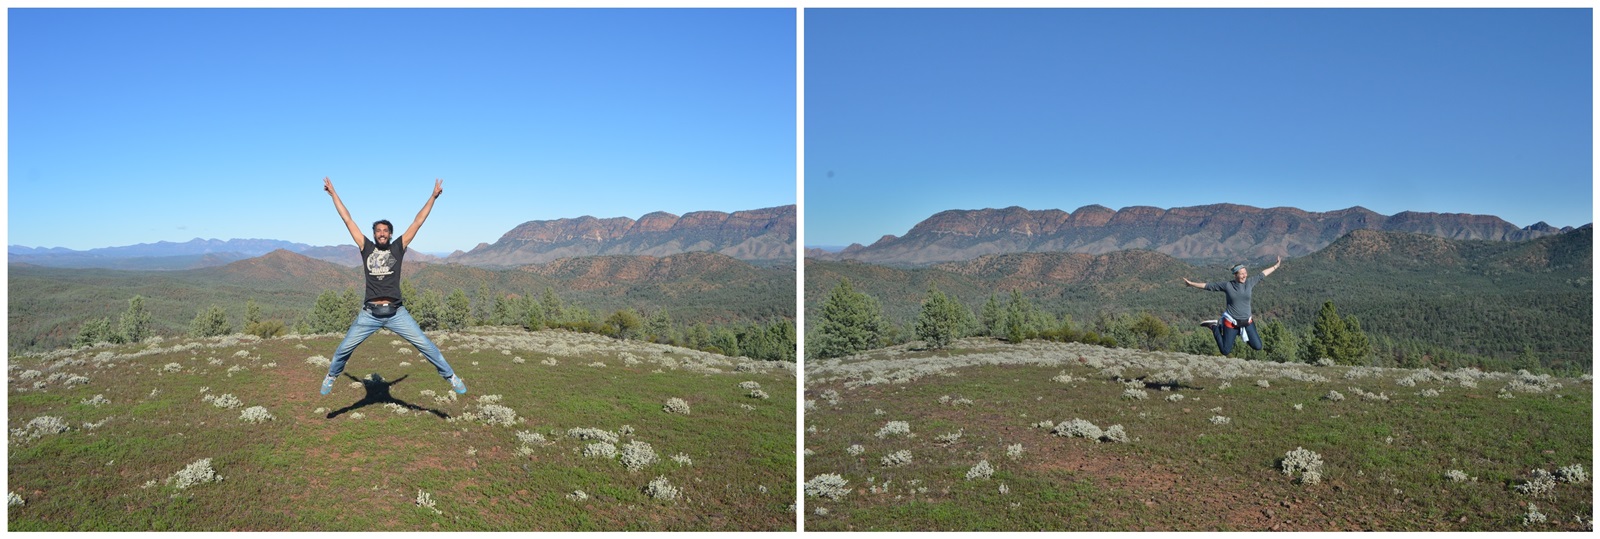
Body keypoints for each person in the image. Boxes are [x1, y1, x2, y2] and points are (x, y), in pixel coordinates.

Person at [319, 177, 465, 396]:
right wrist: (334, 195)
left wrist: (433, 197)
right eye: (378, 230)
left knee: (426, 346)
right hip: (369, 314)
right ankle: (331, 376)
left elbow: (418, 221)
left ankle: (451, 376)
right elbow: (347, 219)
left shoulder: (398, 248)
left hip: (397, 313)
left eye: (386, 231)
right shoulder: (365, 247)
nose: (382, 233)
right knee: (343, 350)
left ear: (390, 234)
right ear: (374, 233)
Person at [1183, 256, 1282, 355]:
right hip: (1231, 322)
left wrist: (1276, 266)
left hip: (1247, 322)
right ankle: (1214, 326)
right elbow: (1209, 286)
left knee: (1258, 346)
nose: (1244, 275)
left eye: (1245, 273)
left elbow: (1262, 274)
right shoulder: (1228, 285)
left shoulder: (1249, 283)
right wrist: (1191, 284)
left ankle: (1240, 333)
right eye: (1241, 274)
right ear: (1235, 275)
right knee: (1225, 351)